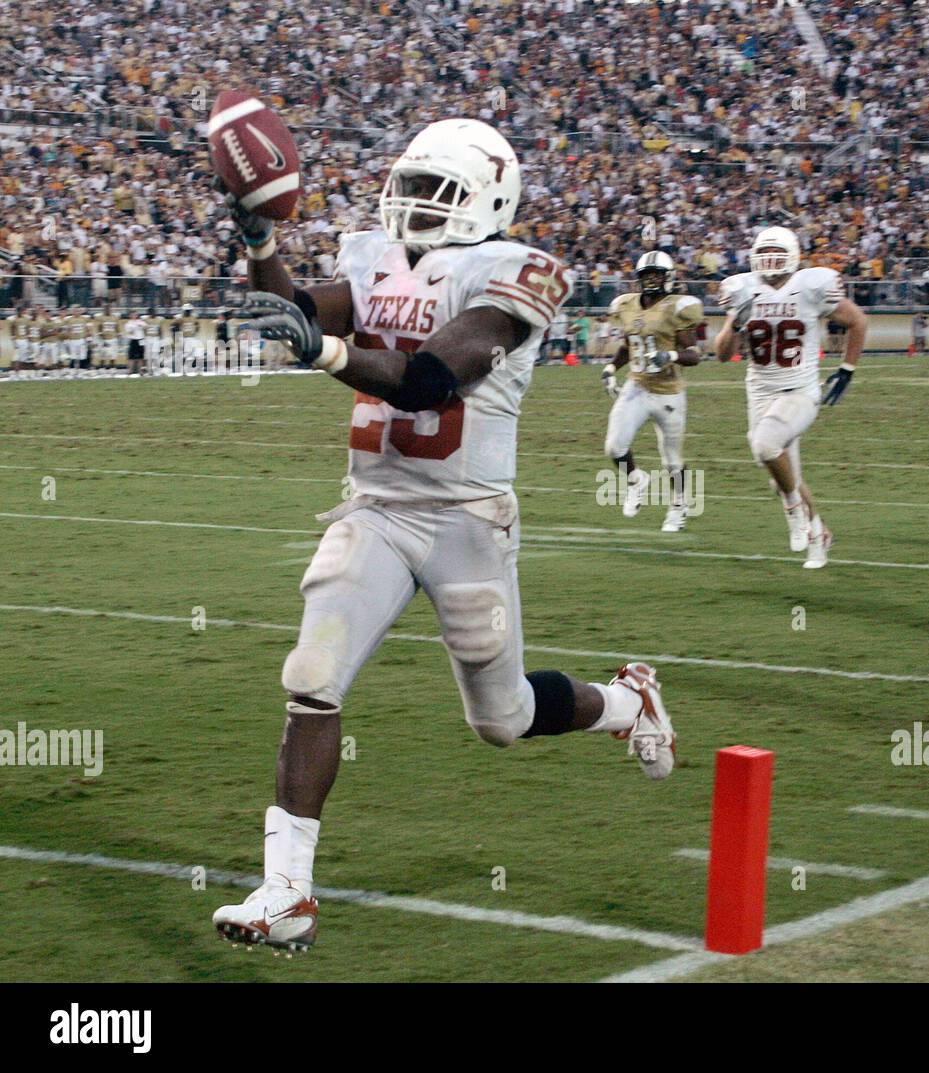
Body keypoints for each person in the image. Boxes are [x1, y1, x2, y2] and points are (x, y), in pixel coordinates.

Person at [210, 118, 678, 954]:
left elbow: (432, 376)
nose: (416, 203)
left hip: (467, 519)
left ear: (490, 196)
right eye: (412, 184)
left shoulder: (519, 272)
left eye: (438, 189)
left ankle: (626, 700)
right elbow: (286, 311)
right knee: (313, 675)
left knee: (502, 718)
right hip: (376, 510)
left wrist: (321, 353)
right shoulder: (372, 255)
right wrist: (259, 236)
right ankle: (288, 892)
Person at [714, 226, 868, 569]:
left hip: (799, 390)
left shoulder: (811, 287)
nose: (770, 261)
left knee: (766, 446)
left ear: (794, 256)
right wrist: (734, 325)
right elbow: (723, 354)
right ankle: (819, 532)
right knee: (780, 471)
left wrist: (848, 369)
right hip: (760, 391)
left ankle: (793, 510)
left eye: (777, 253)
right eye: (764, 253)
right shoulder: (744, 291)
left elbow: (857, 321)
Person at [601, 251, 704, 533]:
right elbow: (628, 346)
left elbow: (694, 355)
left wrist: (670, 355)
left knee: (672, 460)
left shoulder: (677, 307)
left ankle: (679, 506)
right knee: (614, 446)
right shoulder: (626, 305)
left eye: (657, 274)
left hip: (669, 393)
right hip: (637, 386)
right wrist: (611, 369)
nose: (651, 280)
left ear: (668, 277)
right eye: (647, 275)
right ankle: (636, 481)